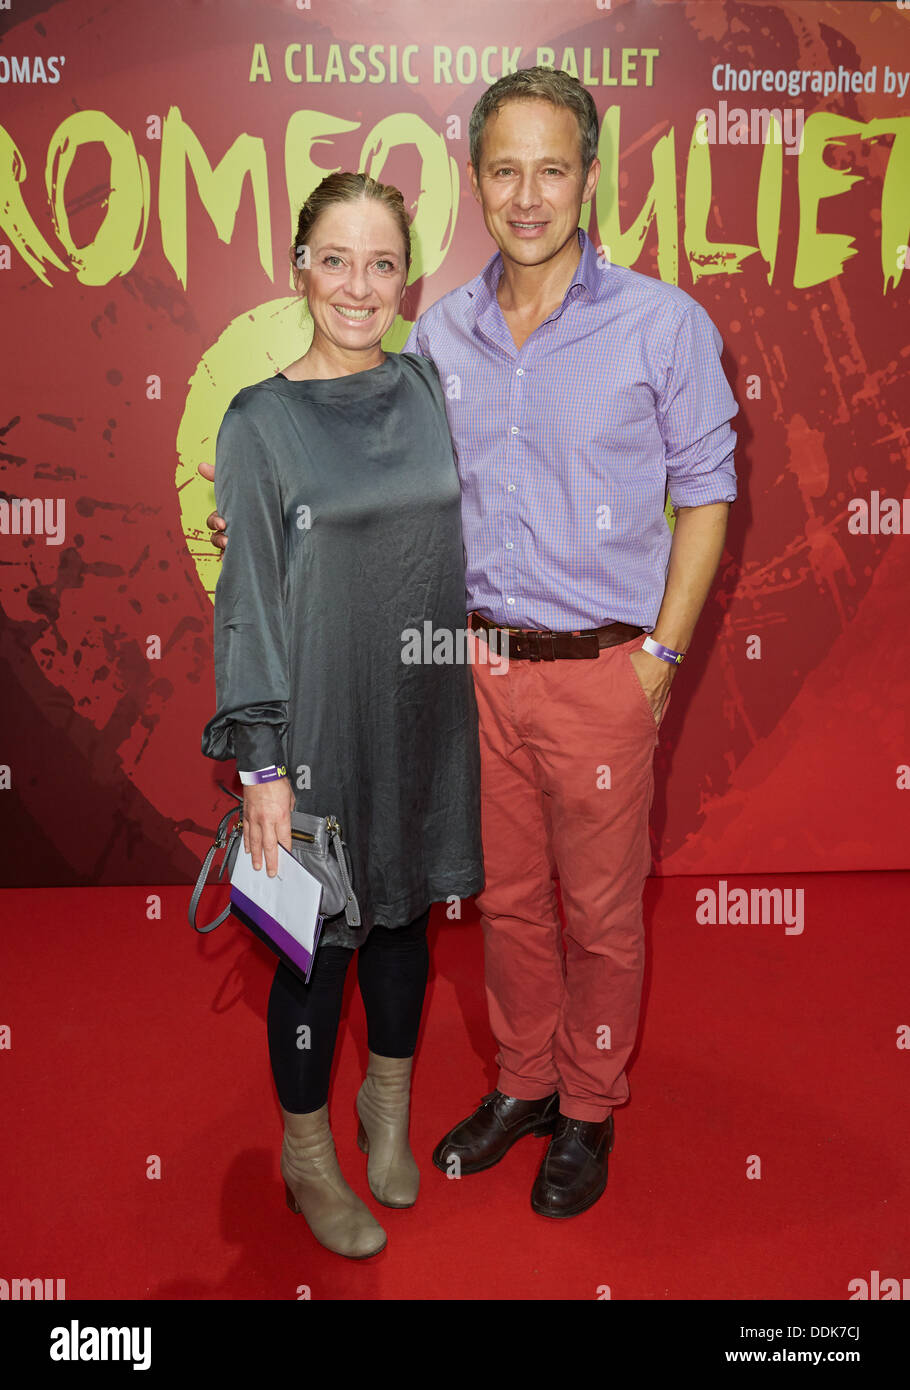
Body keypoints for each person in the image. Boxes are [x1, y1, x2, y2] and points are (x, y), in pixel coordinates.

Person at [206, 68, 738, 1222]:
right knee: (499, 907)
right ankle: (525, 1081)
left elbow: (707, 496)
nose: (528, 194)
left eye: (553, 168)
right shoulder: (437, 339)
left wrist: (660, 655)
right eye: (505, 169)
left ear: (591, 177)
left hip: (603, 667)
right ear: (477, 181)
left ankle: (589, 1105)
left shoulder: (663, 324)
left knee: (599, 911)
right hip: (462, 677)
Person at [200, 171, 483, 1259]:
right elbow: (250, 601)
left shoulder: (423, 386)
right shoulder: (259, 421)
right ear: (298, 266)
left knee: (407, 920)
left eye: (380, 263)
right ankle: (307, 1156)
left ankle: (389, 1113)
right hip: (314, 728)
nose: (357, 286)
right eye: (335, 259)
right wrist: (261, 765)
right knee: (315, 950)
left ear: (404, 277)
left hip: (422, 710)